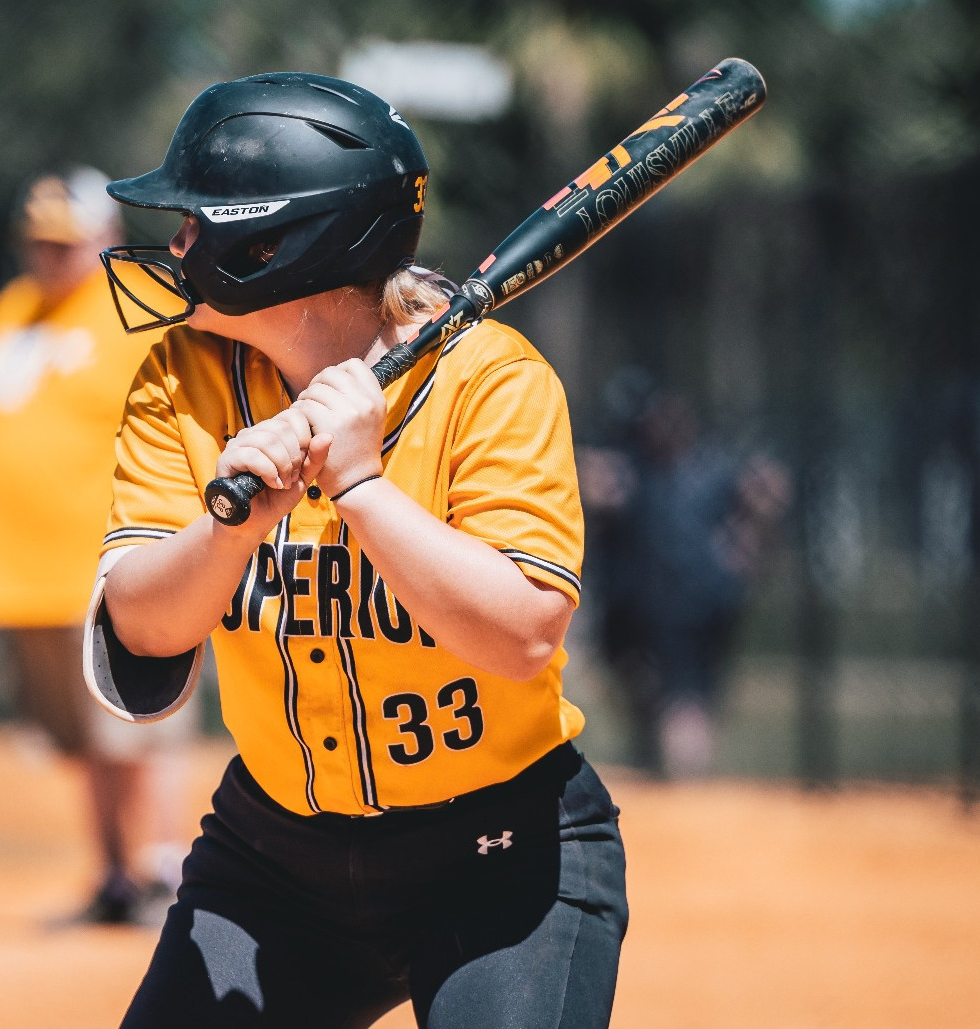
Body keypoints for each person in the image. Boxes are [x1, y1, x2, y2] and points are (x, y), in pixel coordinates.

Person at [82, 72, 628, 1028]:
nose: (173, 245)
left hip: (498, 857)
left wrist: (362, 486)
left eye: (196, 221)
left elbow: (523, 636)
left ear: (272, 246)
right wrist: (234, 524)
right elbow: (144, 625)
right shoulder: (181, 382)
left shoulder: (491, 382)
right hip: (271, 861)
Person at [0, 168, 193, 926]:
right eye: (38, 242)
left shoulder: (128, 306)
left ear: (103, 240)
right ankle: (113, 877)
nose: (48, 257)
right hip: (23, 571)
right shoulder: (7, 314)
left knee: (139, 728)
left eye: (64, 244)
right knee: (83, 743)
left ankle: (162, 873)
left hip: (112, 562)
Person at [578, 367, 789, 779]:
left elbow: (770, 489)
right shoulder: (636, 466)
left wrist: (750, 546)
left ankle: (687, 787)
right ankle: (665, 768)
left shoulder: (711, 466)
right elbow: (594, 484)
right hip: (644, 604)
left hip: (697, 601)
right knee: (647, 688)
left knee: (688, 699)